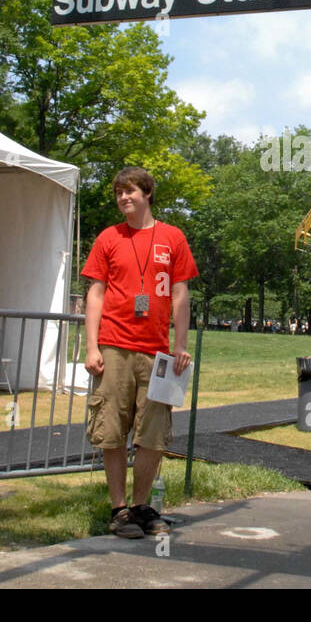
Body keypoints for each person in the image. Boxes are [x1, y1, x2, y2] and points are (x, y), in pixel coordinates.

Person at [82, 166, 197, 539]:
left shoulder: (173, 237)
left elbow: (180, 294)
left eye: (129, 191)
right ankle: (119, 509)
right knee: (112, 430)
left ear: (147, 193)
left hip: (157, 352)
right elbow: (95, 293)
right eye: (118, 192)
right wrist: (91, 346)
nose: (123, 198)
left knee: (152, 433)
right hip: (114, 346)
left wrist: (180, 345)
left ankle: (142, 505)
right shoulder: (109, 237)